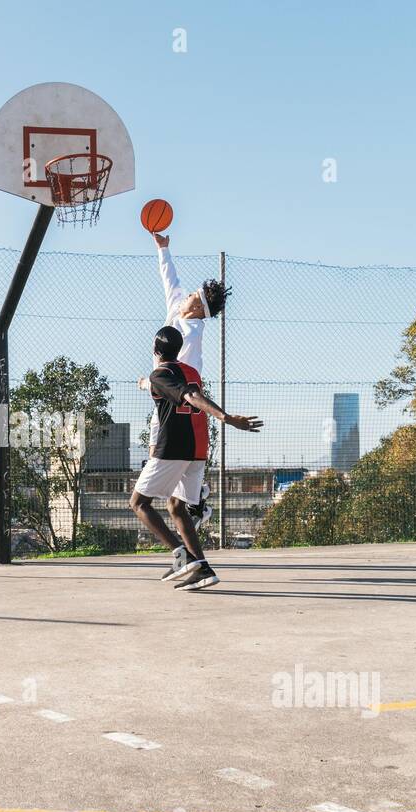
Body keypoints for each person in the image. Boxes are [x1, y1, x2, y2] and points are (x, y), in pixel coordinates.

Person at [131, 326, 262, 591]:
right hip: (198, 448)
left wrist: (225, 418)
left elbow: (189, 396)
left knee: (139, 503)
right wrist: (147, 383)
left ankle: (182, 555)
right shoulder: (190, 371)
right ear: (178, 350)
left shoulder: (159, 375)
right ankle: (202, 568)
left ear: (155, 351)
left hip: (173, 449)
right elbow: (180, 389)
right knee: (177, 506)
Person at [137, 232, 230, 532]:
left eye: (194, 295)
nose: (188, 293)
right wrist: (163, 248)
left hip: (178, 397)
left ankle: (197, 500)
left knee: (160, 452)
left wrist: (151, 384)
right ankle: (196, 500)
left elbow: (179, 378)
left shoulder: (191, 335)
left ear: (200, 307)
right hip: (166, 393)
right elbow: (170, 279)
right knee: (159, 456)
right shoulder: (179, 305)